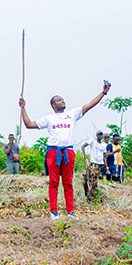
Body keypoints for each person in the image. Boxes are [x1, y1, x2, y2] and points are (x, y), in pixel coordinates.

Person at [20, 81, 110, 220]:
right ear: (53, 105)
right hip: (53, 152)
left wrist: (103, 93)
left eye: (62, 99)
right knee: (53, 182)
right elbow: (28, 124)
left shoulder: (72, 114)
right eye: (59, 100)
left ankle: (70, 212)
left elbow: (90, 104)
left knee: (68, 183)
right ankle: (53, 212)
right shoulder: (49, 118)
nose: (62, 101)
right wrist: (23, 108)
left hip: (68, 152)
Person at [81, 131, 108, 202]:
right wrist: (85, 154)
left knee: (101, 180)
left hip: (101, 163)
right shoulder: (92, 141)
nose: (100, 136)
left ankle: (100, 195)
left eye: (101, 135)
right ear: (96, 136)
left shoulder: (104, 145)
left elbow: (104, 156)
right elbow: (83, 146)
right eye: (99, 135)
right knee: (92, 179)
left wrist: (106, 166)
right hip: (94, 163)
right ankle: (90, 194)